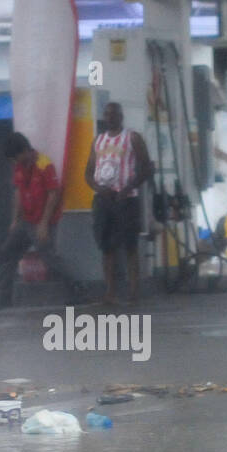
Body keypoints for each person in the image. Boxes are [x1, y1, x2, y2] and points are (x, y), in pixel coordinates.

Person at [0, 132, 86, 306]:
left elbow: (53, 194)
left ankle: (77, 289)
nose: (14, 163)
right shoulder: (20, 167)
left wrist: (44, 224)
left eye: (15, 158)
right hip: (26, 220)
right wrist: (15, 220)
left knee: (50, 258)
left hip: (43, 221)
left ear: (23, 152)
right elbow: (18, 193)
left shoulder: (44, 164)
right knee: (7, 252)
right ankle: (3, 298)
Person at [85, 101, 153, 305]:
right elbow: (88, 173)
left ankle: (133, 291)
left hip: (126, 198)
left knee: (130, 245)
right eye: (106, 114)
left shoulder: (133, 138)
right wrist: (98, 188)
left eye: (114, 114)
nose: (110, 117)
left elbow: (147, 167)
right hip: (104, 199)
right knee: (106, 247)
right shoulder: (98, 141)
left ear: (121, 116)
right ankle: (110, 292)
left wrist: (127, 188)